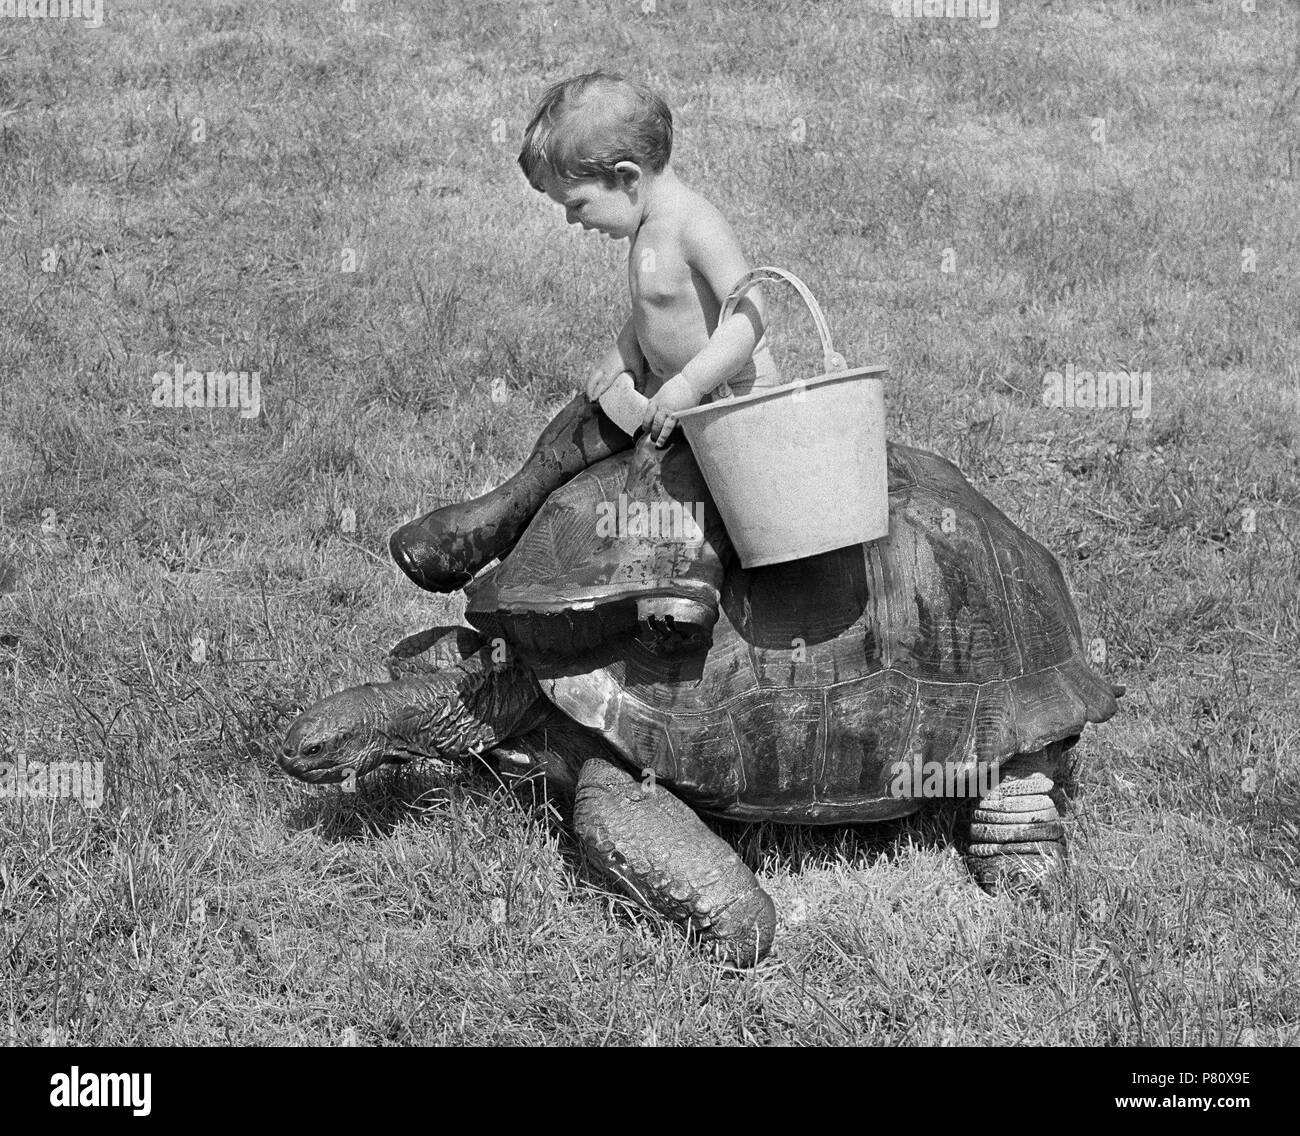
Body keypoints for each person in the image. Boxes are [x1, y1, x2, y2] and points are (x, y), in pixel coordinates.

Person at [390, 71, 780, 654]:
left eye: (576, 204)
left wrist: (691, 383)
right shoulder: (647, 222)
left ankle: (679, 594)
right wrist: (624, 353)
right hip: (667, 400)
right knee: (578, 426)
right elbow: (659, 305)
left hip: (725, 414)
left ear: (626, 178)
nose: (573, 220)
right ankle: (493, 525)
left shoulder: (695, 224)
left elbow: (751, 312)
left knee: (663, 491)